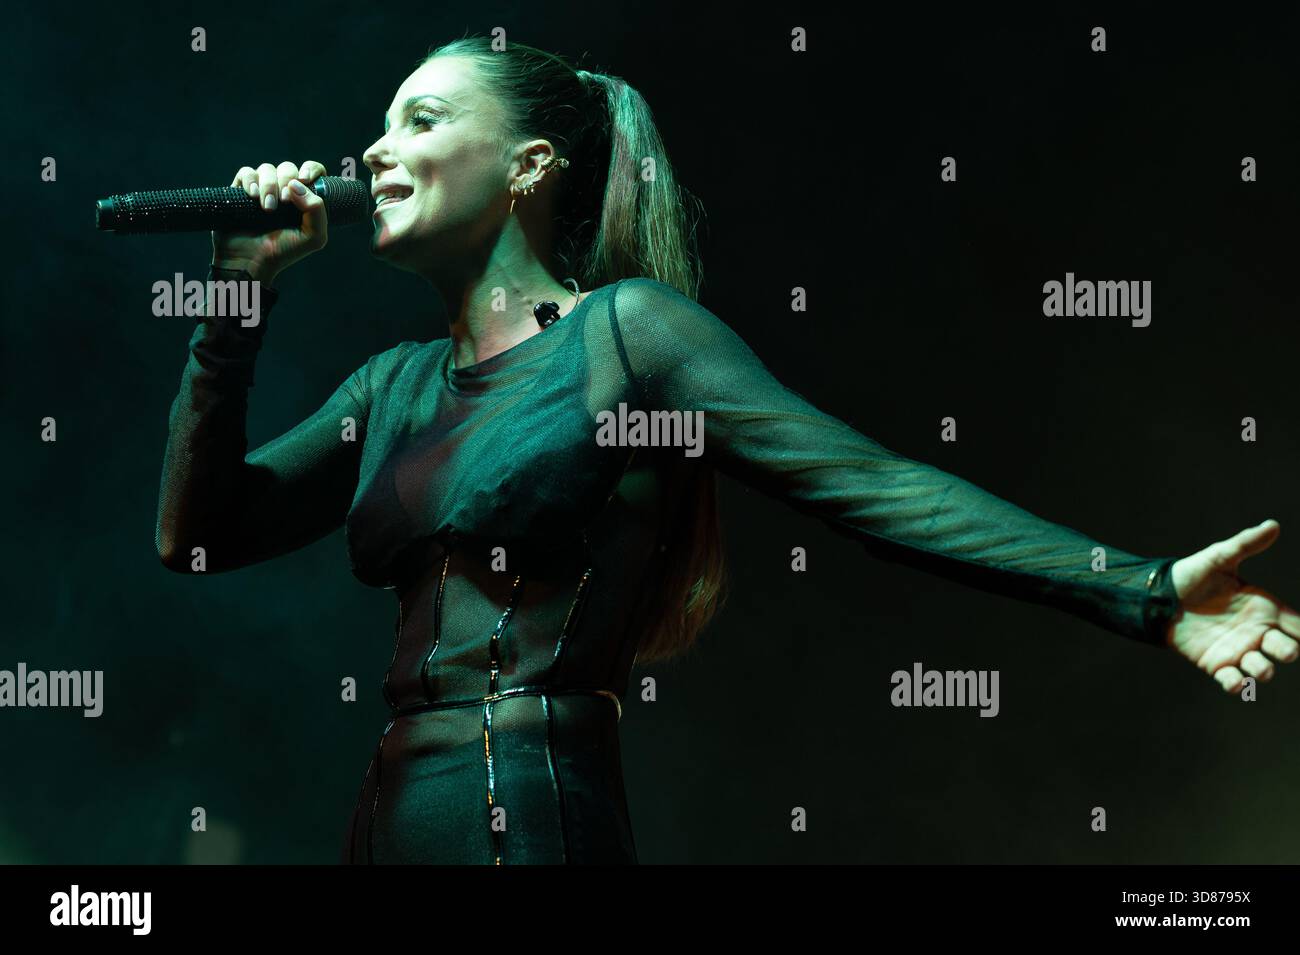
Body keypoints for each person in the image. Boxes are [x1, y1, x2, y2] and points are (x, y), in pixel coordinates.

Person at [155, 36, 1299, 864]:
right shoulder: (392, 386)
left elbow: (877, 486)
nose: (375, 145)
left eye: (422, 118)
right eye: (383, 120)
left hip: (531, 810)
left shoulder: (628, 337)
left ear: (529, 167)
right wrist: (233, 300)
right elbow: (196, 540)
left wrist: (1145, 591)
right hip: (389, 817)